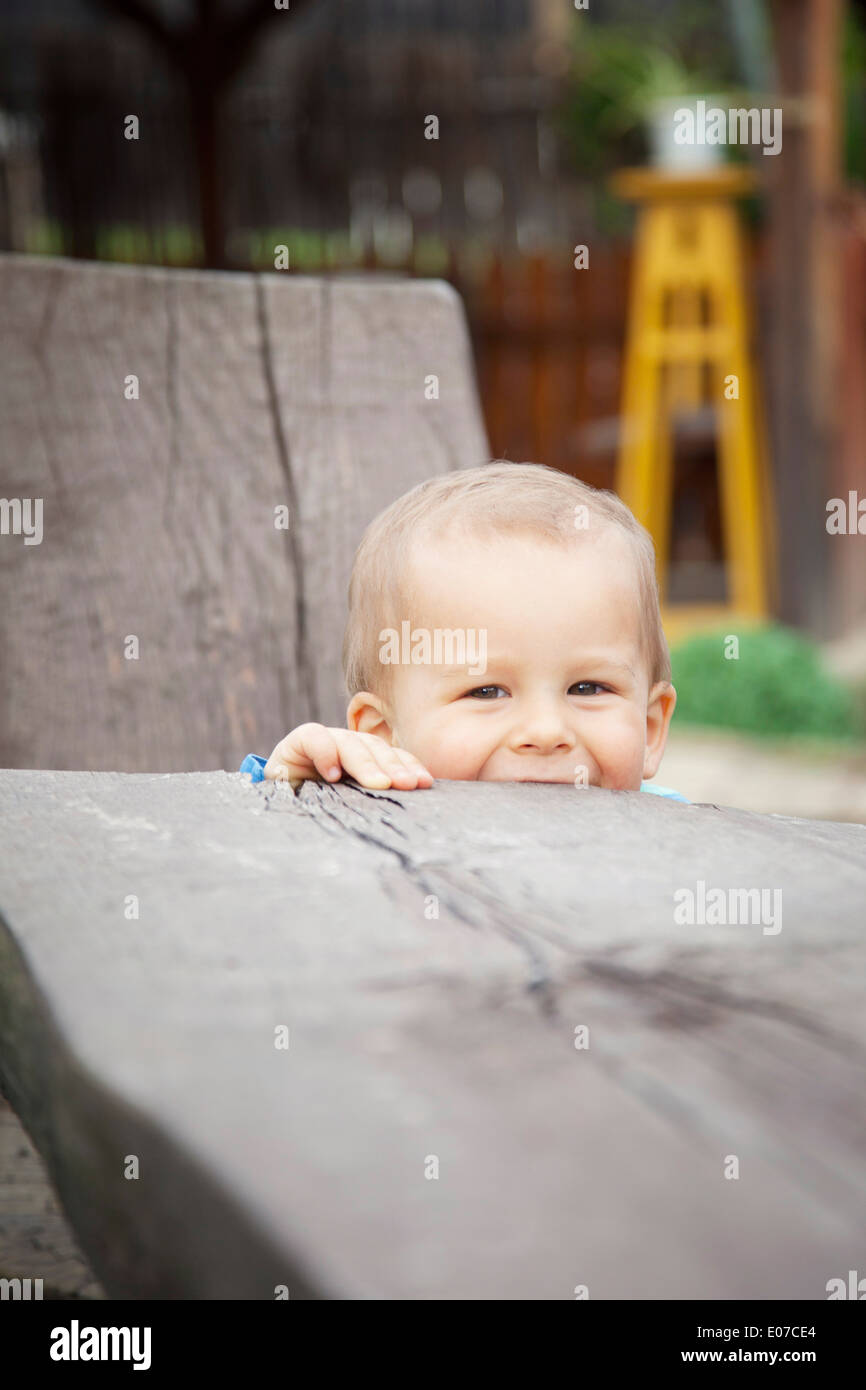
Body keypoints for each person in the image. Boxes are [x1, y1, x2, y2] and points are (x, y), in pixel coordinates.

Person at [240, 462, 688, 802]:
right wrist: (307, 792)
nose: (547, 731)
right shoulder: (371, 822)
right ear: (381, 735)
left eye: (589, 687)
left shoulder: (682, 846)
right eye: (487, 692)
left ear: (649, 729)